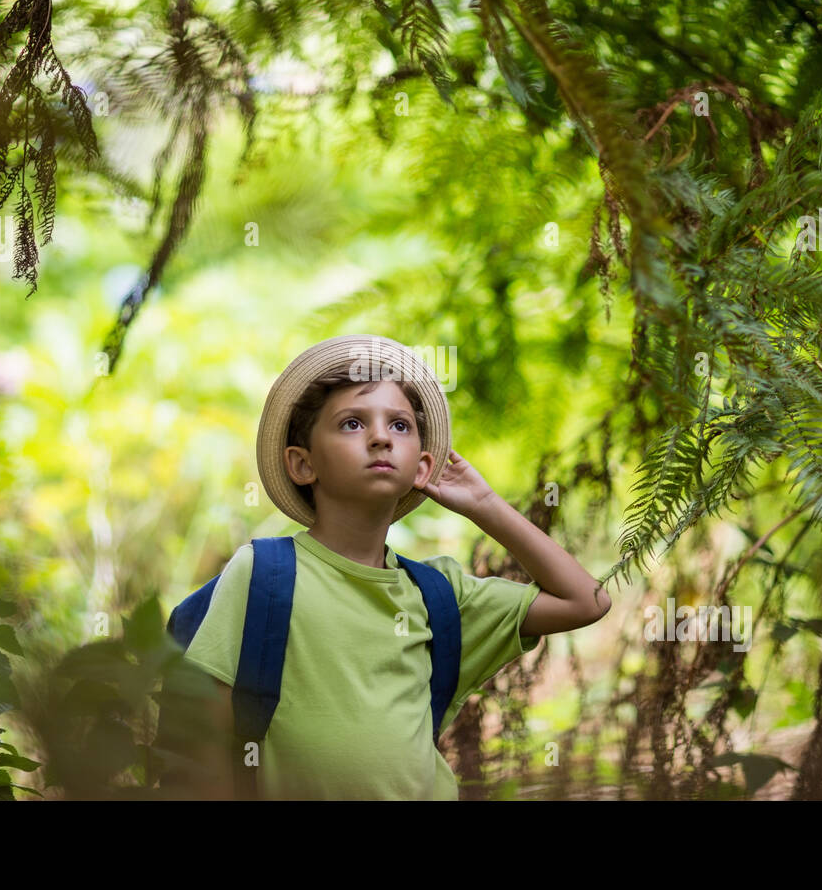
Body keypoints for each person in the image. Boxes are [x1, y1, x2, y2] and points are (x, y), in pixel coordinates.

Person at [181, 334, 611, 799]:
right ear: (302, 464)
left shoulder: (439, 594)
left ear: (423, 467)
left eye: (401, 426)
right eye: (351, 423)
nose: (381, 437)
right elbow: (204, 737)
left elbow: (586, 600)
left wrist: (485, 504)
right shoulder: (263, 574)